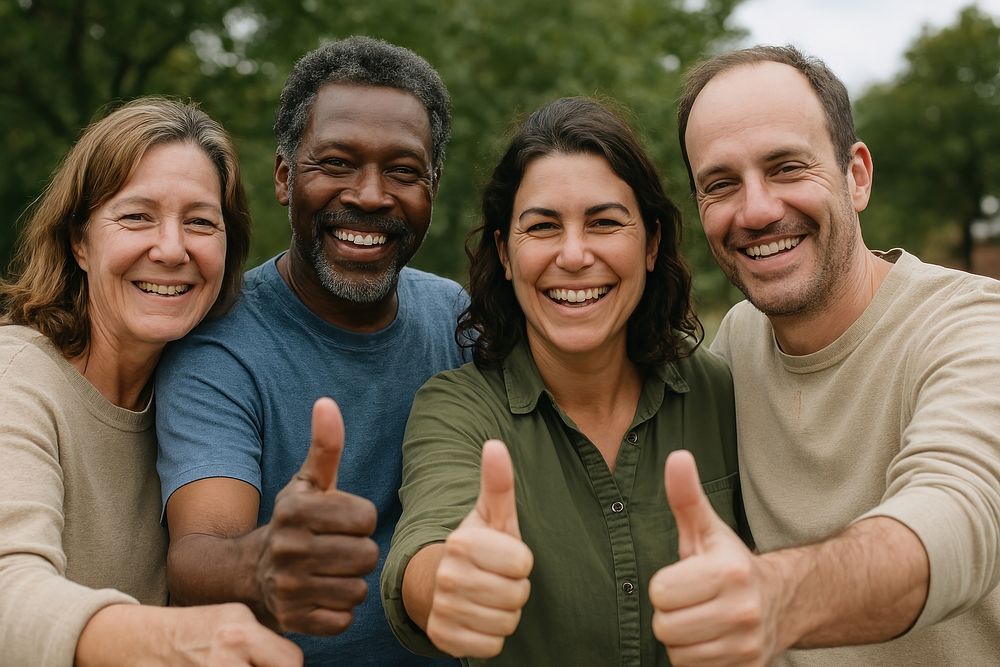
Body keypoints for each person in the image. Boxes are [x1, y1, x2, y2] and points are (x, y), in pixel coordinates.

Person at [647, 44, 1000, 666]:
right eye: (721, 184)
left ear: (856, 176)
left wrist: (774, 597)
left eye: (786, 167)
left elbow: (959, 511)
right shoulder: (737, 343)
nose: (755, 210)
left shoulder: (972, 328)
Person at [381, 96, 746, 666]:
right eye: (543, 226)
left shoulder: (718, 392)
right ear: (504, 252)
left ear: (651, 244)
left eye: (603, 223)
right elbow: (428, 545)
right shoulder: (456, 409)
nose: (574, 255)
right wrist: (450, 582)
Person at [155, 36, 466, 665]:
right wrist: (257, 561)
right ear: (283, 177)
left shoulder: (455, 317)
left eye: (403, 171)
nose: (370, 195)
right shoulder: (218, 344)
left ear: (432, 187)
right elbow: (198, 550)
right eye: (337, 163)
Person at [0, 98, 301, 666]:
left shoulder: (205, 401)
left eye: (200, 222)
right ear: (80, 242)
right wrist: (170, 639)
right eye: (137, 216)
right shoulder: (16, 378)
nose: (171, 249)